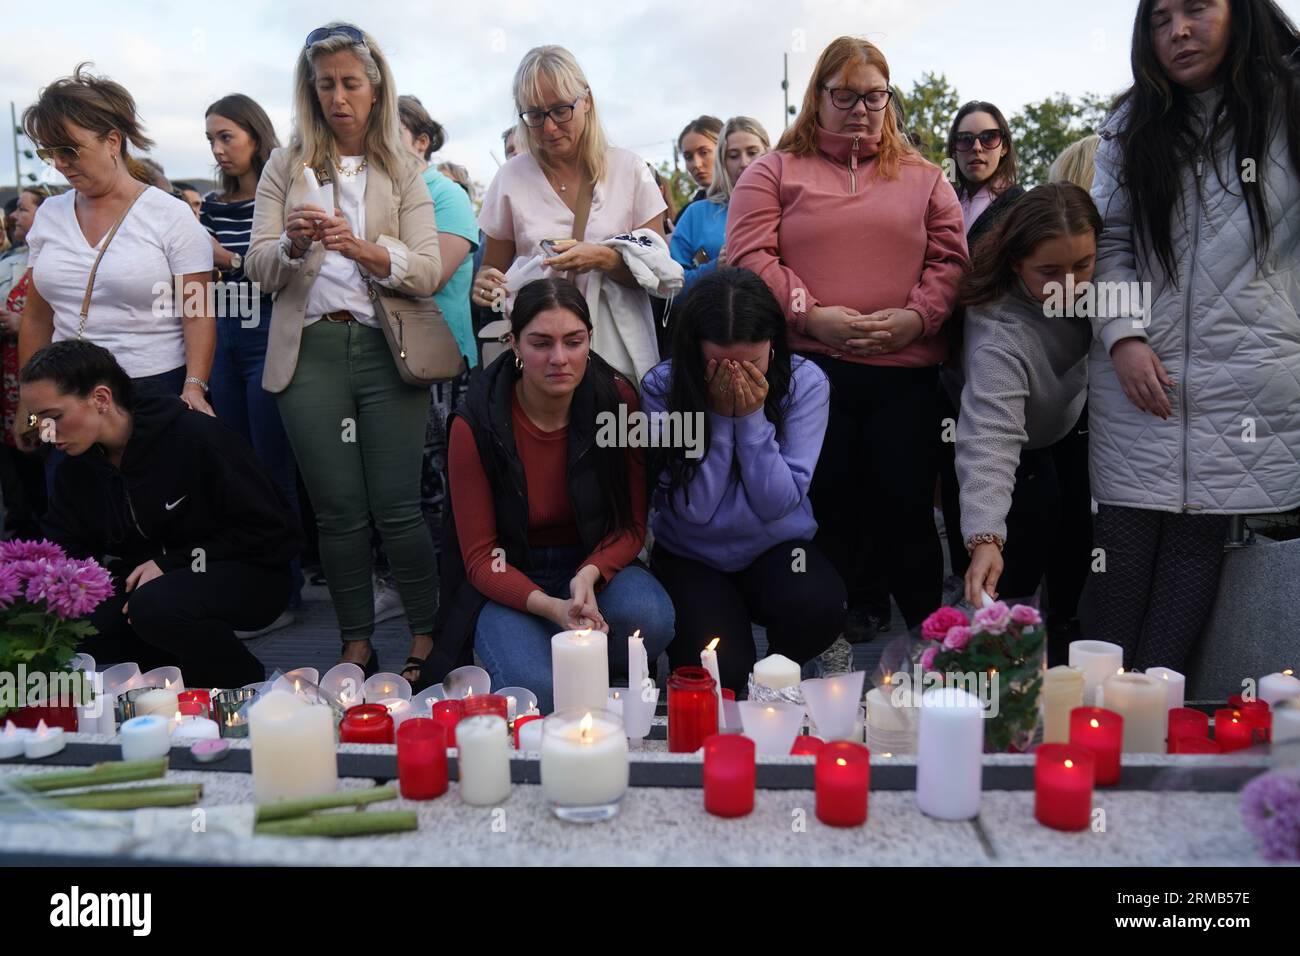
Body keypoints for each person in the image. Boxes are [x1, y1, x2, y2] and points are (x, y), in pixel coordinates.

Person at [1082, 0, 1300, 671]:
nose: (1177, 30)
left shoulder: (1290, 107)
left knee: (1186, 589)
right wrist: (1122, 337)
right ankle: (1089, 747)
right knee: (1111, 588)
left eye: (1197, 8)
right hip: (1137, 386)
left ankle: (1152, 750)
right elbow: (1107, 240)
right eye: (1159, 18)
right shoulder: (1130, 122)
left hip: (1247, 391)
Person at [727, 36, 967, 636]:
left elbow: (952, 261)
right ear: (818, 97)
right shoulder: (773, 170)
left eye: (874, 96)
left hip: (905, 370)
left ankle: (926, 619)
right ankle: (846, 611)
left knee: (907, 500)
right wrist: (809, 313)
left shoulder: (925, 177)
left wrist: (917, 318)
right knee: (830, 494)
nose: (861, 108)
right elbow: (750, 255)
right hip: (812, 368)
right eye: (845, 95)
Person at [244, 22, 442, 677]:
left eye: (350, 82)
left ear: (376, 84)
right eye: (324, 84)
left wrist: (360, 247)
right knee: (337, 513)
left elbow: (428, 271)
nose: (338, 97)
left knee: (398, 508)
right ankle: (355, 641)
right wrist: (294, 245)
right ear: (310, 88)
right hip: (311, 354)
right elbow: (257, 268)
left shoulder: (403, 166)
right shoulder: (284, 163)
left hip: (388, 352)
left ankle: (424, 636)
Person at [436, 278, 674, 710]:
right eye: (541, 343)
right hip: (511, 576)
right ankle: (544, 647)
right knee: (539, 693)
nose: (559, 359)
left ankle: (608, 667)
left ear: (590, 340)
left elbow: (632, 526)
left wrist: (589, 574)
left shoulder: (618, 401)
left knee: (650, 616)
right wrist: (550, 607)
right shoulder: (476, 422)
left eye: (573, 341)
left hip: (591, 564)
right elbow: (479, 558)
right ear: (514, 344)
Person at [23, 340, 301, 689]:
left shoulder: (195, 437)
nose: (45, 433)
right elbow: (64, 548)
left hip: (249, 571)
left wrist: (173, 563)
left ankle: (239, 684)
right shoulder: (74, 466)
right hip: (152, 581)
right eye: (37, 420)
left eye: (53, 417)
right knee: (80, 620)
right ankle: (175, 683)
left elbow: (275, 532)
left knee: (154, 608)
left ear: (101, 399)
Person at [644, 268, 843, 695]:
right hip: (691, 553)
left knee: (822, 605)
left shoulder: (805, 383)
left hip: (776, 546)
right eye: (718, 365)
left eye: (752, 364)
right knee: (721, 678)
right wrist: (718, 418)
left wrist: (750, 419)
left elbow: (779, 502)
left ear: (774, 345)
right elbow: (694, 509)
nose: (737, 377)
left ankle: (785, 670)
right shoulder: (663, 386)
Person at [15, 62, 216, 455]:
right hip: (63, 393)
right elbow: (37, 316)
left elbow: (198, 312)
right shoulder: (50, 215)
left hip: (151, 389)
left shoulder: (169, 215)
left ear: (112, 140)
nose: (58, 162)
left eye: (69, 149)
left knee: (155, 504)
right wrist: (31, 405)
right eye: (48, 151)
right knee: (72, 506)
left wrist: (194, 386)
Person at [956, 184, 1099, 664]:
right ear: (1017, 262)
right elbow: (990, 439)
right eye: (1050, 272)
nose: (1070, 284)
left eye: (1083, 265)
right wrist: (985, 537)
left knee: (1077, 544)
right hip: (1018, 440)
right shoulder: (997, 336)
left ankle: (1064, 645)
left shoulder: (1105, 283)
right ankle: (1002, 660)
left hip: (1070, 422)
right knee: (1023, 548)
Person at [472, 45, 672, 383]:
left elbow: (659, 273)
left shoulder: (629, 170)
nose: (549, 127)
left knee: (616, 434)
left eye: (561, 110)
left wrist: (602, 258)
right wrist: (485, 283)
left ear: (587, 101)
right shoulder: (509, 179)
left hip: (617, 358)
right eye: (535, 115)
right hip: (542, 360)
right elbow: (494, 269)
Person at [200, 93, 302, 633]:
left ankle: (286, 592)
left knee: (271, 470)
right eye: (211, 139)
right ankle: (252, 589)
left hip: (269, 334)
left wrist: (230, 259)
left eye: (226, 137)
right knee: (233, 470)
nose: (218, 149)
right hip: (224, 337)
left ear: (256, 138)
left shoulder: (283, 197)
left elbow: (277, 272)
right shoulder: (213, 204)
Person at [391, 93, 480, 680]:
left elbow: (431, 277)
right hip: (393, 364)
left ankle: (454, 637)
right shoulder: (385, 197)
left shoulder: (444, 195)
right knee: (409, 503)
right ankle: (429, 626)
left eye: (388, 130)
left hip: (437, 367)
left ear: (422, 141)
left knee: (443, 504)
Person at [936, 100, 1026, 588]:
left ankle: (1007, 582)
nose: (977, 148)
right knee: (954, 466)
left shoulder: (1022, 205)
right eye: (966, 139)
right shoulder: (940, 199)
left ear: (1004, 144)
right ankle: (961, 575)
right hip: (946, 356)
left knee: (1002, 458)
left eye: (988, 137)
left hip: (1000, 350)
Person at [1, 187, 53, 538]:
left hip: (45, 388)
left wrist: (25, 325)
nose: (15, 216)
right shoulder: (11, 262)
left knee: (49, 459)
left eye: (24, 209)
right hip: (10, 389)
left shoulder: (56, 265)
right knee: (17, 467)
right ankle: (25, 547)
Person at [669, 116, 770, 293]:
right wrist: (714, 267)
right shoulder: (695, 213)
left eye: (753, 152)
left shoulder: (789, 208)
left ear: (768, 154)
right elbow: (670, 287)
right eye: (733, 156)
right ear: (722, 161)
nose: (744, 163)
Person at [676, 115, 722, 219]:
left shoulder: (750, 201)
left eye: (704, 152)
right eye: (688, 157)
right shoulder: (686, 216)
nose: (696, 164)